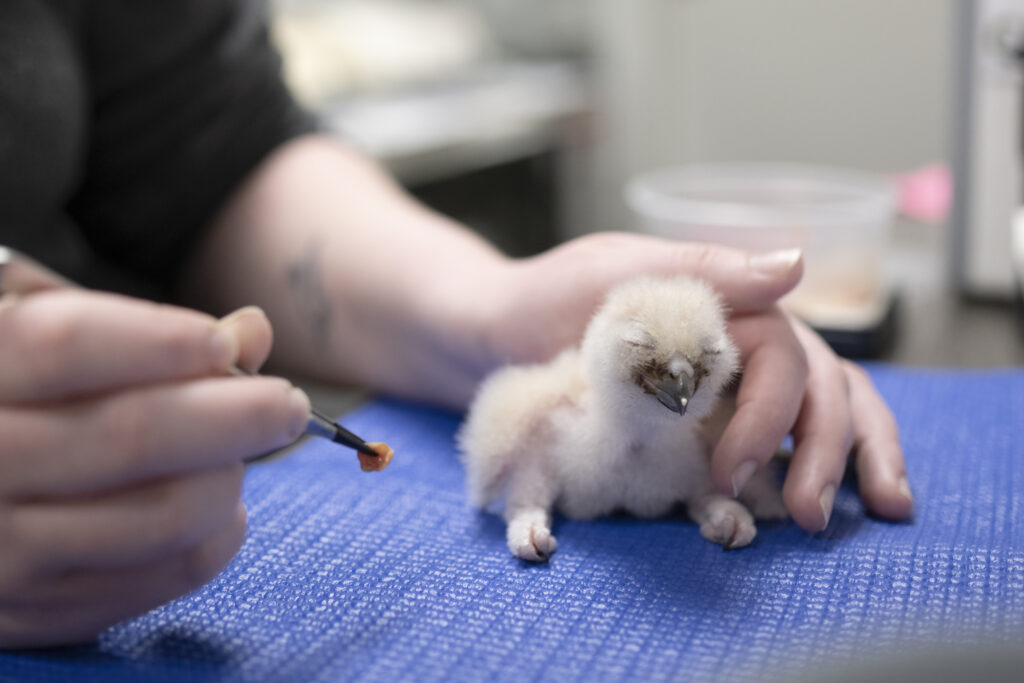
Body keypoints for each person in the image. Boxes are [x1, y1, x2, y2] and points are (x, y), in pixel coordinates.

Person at [0, 0, 912, 649]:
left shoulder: (649, 414)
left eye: (691, 370)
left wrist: (488, 309)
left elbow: (212, 157)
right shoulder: (554, 422)